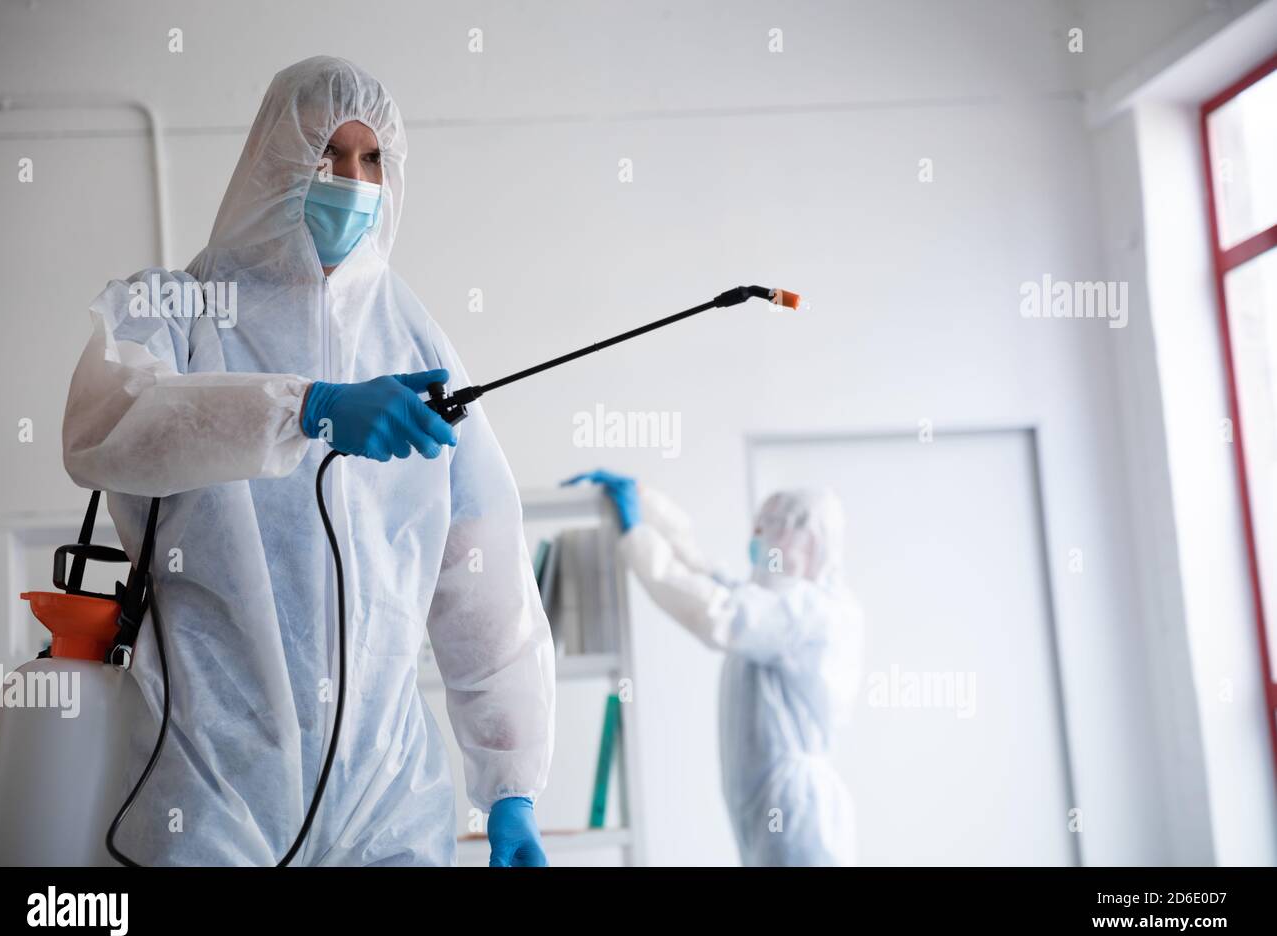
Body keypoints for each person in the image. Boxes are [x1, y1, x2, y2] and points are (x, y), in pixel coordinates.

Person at [62, 56, 554, 867]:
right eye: (328, 154)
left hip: (386, 795)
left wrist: (512, 786)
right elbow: (104, 423)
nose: (352, 180)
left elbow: (483, 574)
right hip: (210, 772)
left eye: (372, 160)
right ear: (273, 160)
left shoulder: (418, 343)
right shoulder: (174, 309)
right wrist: (305, 405)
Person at [567, 471, 863, 866]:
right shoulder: (774, 603)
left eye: (771, 527)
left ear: (808, 539)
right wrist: (646, 502)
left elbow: (718, 614)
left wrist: (636, 537)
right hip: (769, 799)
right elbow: (706, 574)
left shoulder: (809, 610)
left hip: (796, 809)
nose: (757, 537)